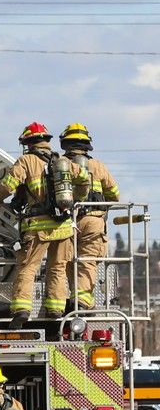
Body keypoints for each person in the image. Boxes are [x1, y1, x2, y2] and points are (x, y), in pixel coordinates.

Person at [0, 122, 90, 328]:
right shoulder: (62, 161)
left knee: (28, 267)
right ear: (46, 142)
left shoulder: (26, 161)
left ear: (28, 143)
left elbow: (9, 185)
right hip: (63, 226)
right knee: (58, 268)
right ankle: (55, 309)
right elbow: (84, 178)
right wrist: (78, 199)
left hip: (37, 226)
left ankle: (21, 310)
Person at [59, 123, 120, 310]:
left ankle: (74, 299)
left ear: (65, 143)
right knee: (87, 262)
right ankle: (82, 301)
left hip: (65, 221)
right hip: (93, 221)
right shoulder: (98, 166)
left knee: (67, 261)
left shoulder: (59, 165)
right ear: (86, 144)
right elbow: (114, 195)